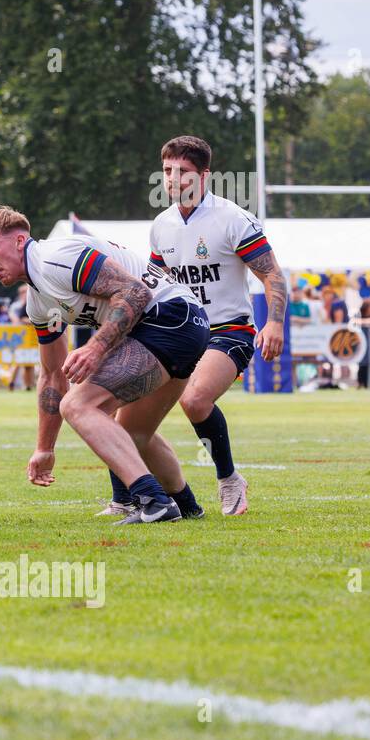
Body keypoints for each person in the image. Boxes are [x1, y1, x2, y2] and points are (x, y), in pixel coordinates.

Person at [0, 206, 208, 524]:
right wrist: (44, 449)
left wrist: (96, 347)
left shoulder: (55, 258)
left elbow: (135, 292)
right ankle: (187, 507)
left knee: (79, 406)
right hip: (182, 325)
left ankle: (153, 502)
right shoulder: (38, 302)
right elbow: (52, 374)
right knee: (134, 432)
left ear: (19, 240)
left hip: (169, 319)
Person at [94, 135, 287, 518]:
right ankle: (126, 498)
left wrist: (275, 323)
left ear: (204, 176)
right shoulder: (162, 226)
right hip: (180, 332)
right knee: (126, 413)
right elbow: (153, 285)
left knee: (195, 400)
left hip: (229, 331)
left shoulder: (232, 219)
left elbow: (272, 275)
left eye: (182, 172)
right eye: (167, 171)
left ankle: (229, 478)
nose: (173, 179)